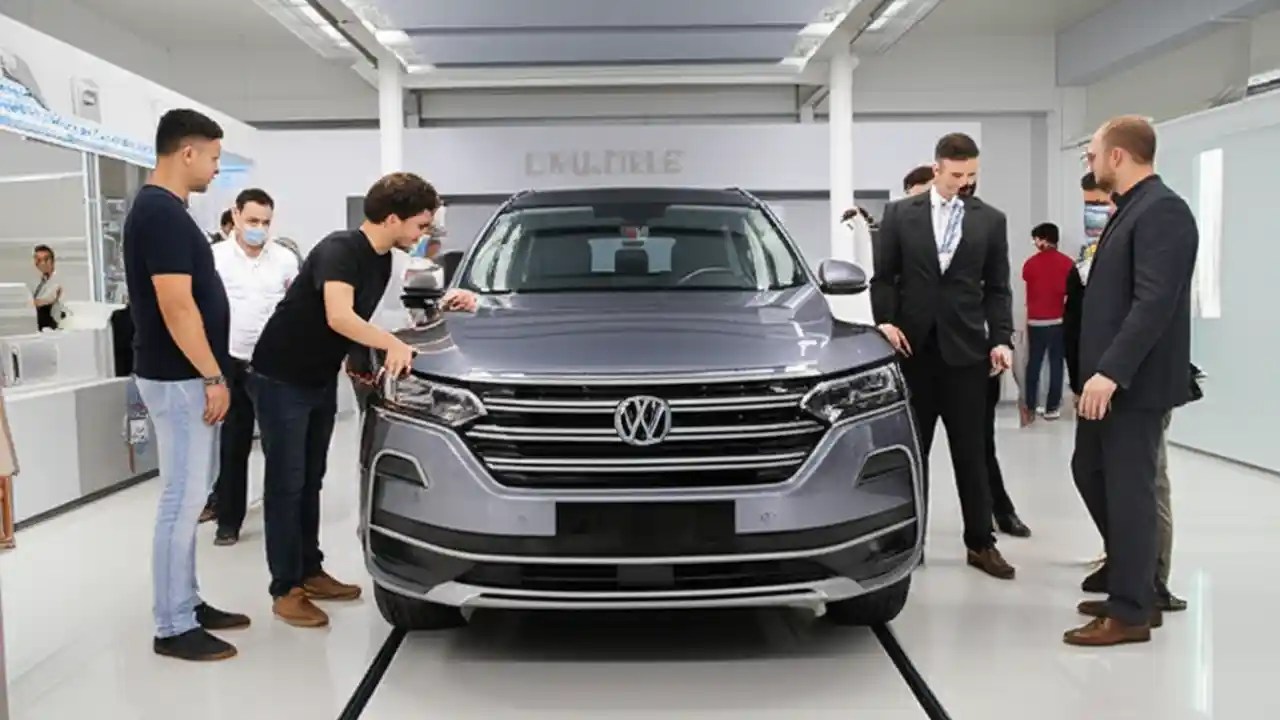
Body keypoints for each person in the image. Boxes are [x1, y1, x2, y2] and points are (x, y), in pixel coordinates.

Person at [247, 172, 477, 629]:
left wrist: (440, 311)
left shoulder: (381, 260)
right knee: (286, 483)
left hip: (315, 379)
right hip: (280, 378)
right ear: (393, 218)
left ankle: (309, 571)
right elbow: (340, 316)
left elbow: (374, 322)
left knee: (311, 479)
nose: (423, 234)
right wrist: (390, 346)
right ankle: (285, 589)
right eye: (420, 225)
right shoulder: (340, 249)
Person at [1064, 116, 1199, 647]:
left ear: (1118, 156)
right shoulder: (1130, 210)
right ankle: (1133, 582)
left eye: (1093, 152)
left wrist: (1111, 373)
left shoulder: (1163, 210)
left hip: (1132, 384)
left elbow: (1153, 305)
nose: (1088, 161)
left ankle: (1132, 611)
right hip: (1107, 381)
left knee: (1130, 490)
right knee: (1090, 471)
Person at [124, 108, 249, 662]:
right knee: (182, 499)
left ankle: (188, 602)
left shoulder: (168, 212)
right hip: (179, 379)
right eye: (215, 157)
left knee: (191, 492)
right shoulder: (161, 215)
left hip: (182, 376)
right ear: (187, 152)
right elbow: (177, 307)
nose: (217, 169)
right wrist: (213, 375)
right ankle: (172, 625)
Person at [871, 133, 1016, 580]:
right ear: (936, 170)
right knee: (914, 453)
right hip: (912, 351)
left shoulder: (990, 220)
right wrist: (885, 321)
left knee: (972, 452)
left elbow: (998, 287)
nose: (964, 183)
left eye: (971, 175)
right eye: (957, 175)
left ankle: (980, 542)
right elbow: (884, 277)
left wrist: (1003, 339)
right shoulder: (899, 215)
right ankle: (911, 543)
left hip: (968, 353)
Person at [200, 188, 298, 547]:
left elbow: (295, 309)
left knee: (278, 447)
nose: (259, 228)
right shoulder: (213, 258)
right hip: (229, 361)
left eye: (265, 222)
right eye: (253, 220)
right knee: (233, 444)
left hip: (272, 365)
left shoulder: (285, 260)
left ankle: (281, 521)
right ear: (236, 216)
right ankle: (229, 521)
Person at [1021, 223, 1074, 421]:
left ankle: (1031, 405)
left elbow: (1028, 280)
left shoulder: (1030, 264)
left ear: (1043, 239)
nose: (1034, 242)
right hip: (1058, 320)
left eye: (1036, 238)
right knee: (1056, 364)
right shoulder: (1068, 264)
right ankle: (1052, 407)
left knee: (1033, 364)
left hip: (1035, 322)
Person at [32, 245, 64, 331]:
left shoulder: (58, 280)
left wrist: (27, 303)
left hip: (56, 325)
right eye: (38, 260)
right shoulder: (41, 281)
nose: (42, 263)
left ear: (53, 261)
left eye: (46, 259)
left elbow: (48, 299)